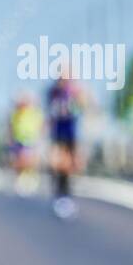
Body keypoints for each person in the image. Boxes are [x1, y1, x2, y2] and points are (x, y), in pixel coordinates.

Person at [45, 71, 85, 218]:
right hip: (57, 133)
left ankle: (65, 196)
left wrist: (78, 94)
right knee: (56, 163)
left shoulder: (75, 91)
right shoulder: (53, 92)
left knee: (69, 166)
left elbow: (83, 106)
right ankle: (59, 193)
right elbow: (50, 112)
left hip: (71, 133)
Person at [7, 92, 44, 195]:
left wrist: (39, 140)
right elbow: (11, 127)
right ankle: (20, 178)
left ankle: (30, 177)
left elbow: (41, 126)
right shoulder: (16, 114)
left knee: (28, 160)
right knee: (18, 161)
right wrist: (10, 139)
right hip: (18, 140)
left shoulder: (35, 113)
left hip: (30, 140)